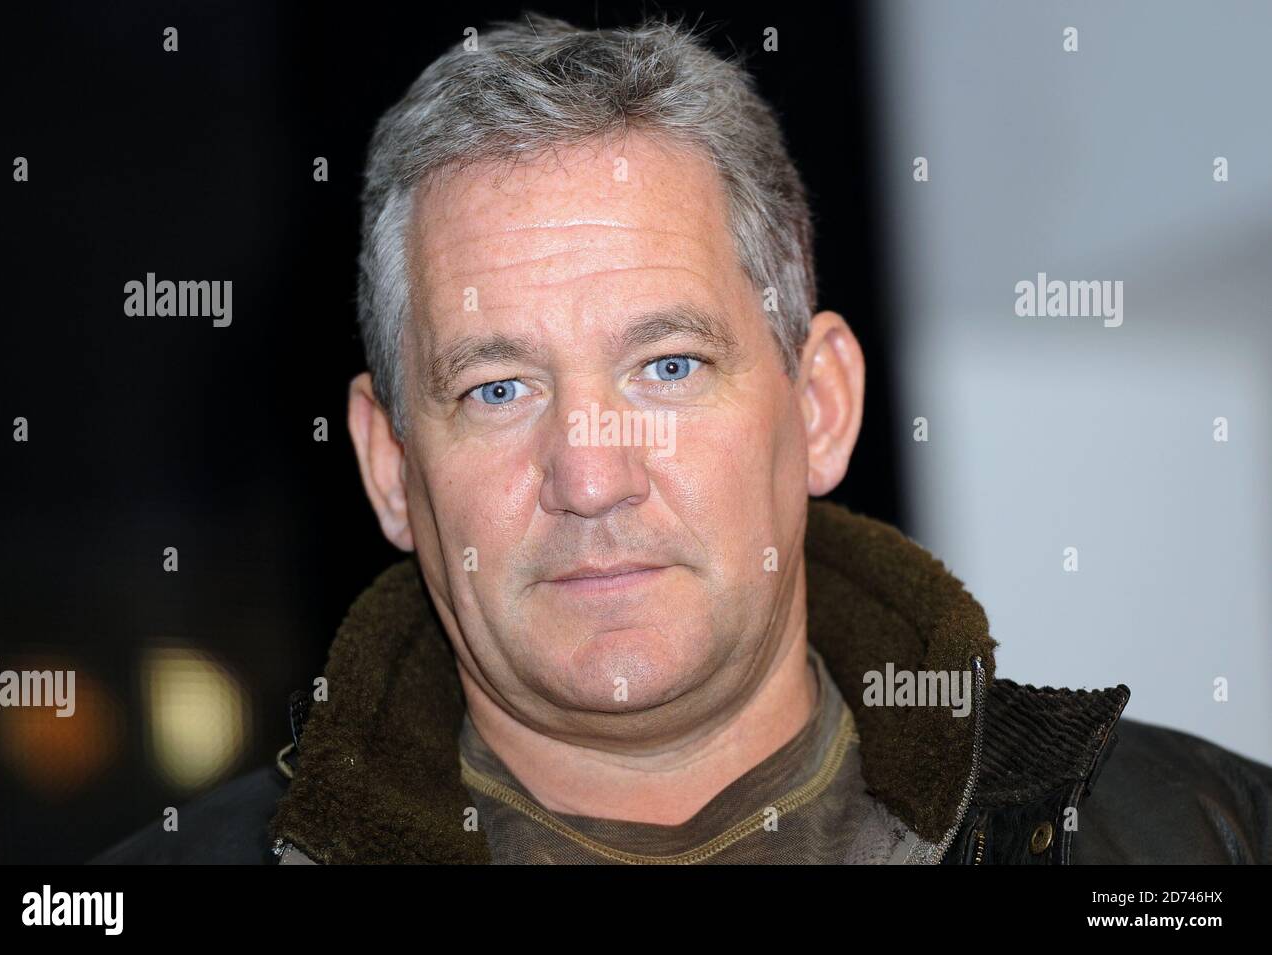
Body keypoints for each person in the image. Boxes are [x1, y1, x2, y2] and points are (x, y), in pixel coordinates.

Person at [94, 13, 1271, 866]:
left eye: (667, 366)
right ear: (391, 467)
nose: (591, 474)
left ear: (819, 406)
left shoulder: (1200, 839)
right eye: (499, 388)